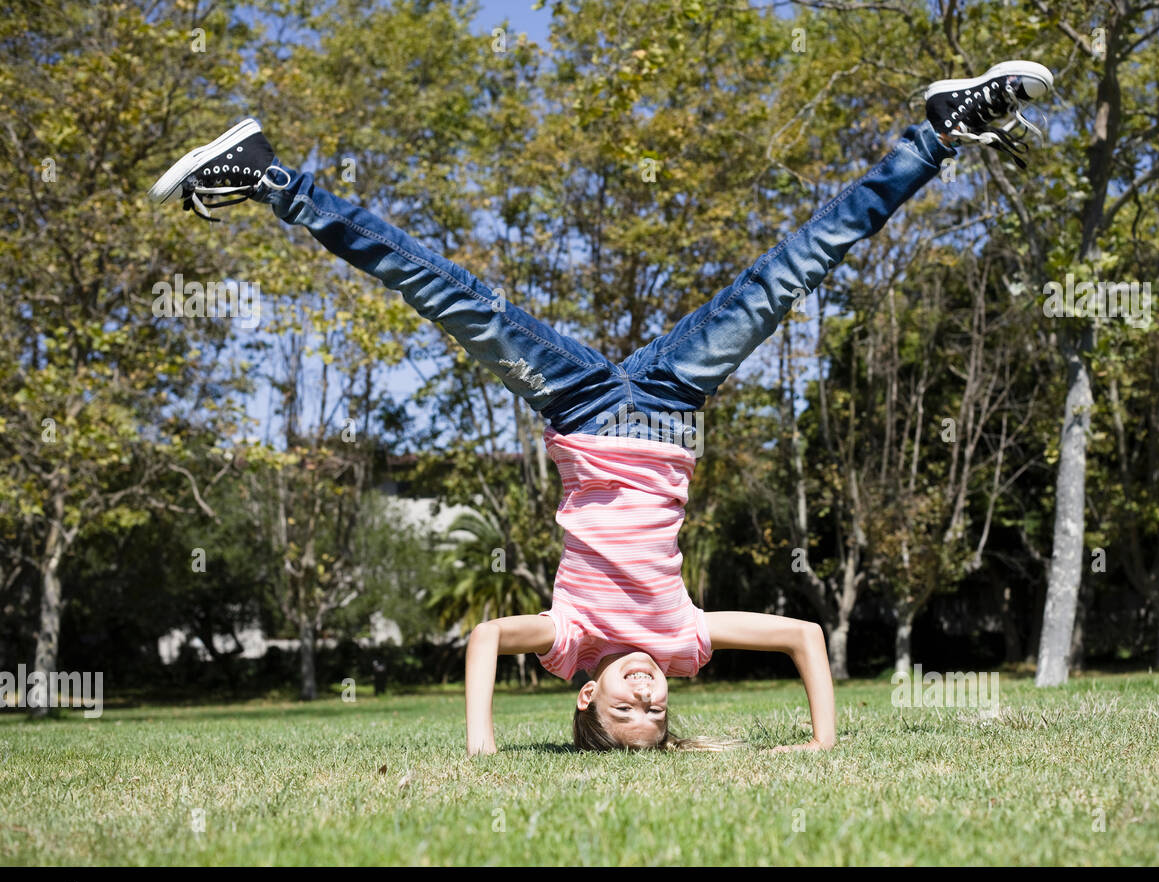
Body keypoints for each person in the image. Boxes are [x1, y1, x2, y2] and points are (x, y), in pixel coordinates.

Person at [150, 60, 1053, 755]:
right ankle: (942, 129)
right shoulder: (686, 641)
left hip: (578, 404)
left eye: (626, 706)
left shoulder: (568, 638)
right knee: (797, 267)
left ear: (586, 694)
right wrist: (821, 744)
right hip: (669, 408)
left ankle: (266, 176)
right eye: (656, 711)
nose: (649, 693)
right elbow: (808, 637)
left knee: (434, 285)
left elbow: (483, 638)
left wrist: (482, 744)